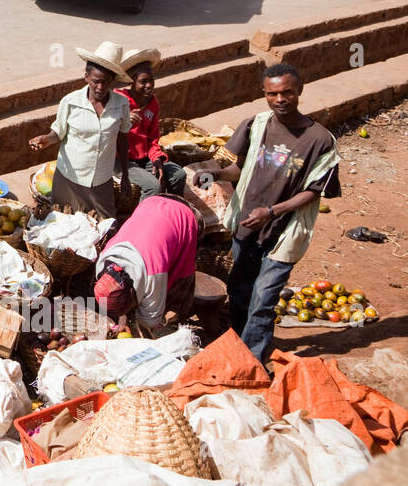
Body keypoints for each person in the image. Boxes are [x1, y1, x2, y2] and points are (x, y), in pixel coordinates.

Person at [207, 64, 340, 364]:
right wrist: (214, 173)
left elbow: (314, 191)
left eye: (286, 92)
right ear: (264, 94)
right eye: (272, 94)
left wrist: (272, 211)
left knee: (263, 299)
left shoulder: (320, 140)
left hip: (285, 230)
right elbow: (238, 169)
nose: (280, 99)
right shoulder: (256, 125)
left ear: (299, 91)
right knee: (239, 290)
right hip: (247, 224)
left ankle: (251, 360)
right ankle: (239, 344)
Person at [30, 42, 134, 217]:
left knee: (106, 227)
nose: (100, 87)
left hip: (101, 180)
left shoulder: (121, 104)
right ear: (86, 76)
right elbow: (58, 133)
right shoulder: (70, 102)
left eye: (106, 82)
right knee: (63, 223)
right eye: (96, 81)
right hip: (69, 178)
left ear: (113, 81)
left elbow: (123, 140)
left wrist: (125, 175)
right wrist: (46, 139)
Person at [93, 195, 201, 336]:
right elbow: (119, 288)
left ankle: (178, 317)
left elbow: (150, 319)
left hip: (185, 215)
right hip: (151, 202)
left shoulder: (154, 273)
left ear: (132, 293)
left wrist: (140, 332)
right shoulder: (103, 263)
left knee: (178, 282)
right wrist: (122, 320)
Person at [116, 49, 186, 200]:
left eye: (151, 80)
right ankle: (143, 222)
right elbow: (107, 131)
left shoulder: (153, 104)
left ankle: (172, 210)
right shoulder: (119, 101)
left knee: (178, 175)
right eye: (143, 82)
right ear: (132, 82)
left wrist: (156, 158)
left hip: (143, 157)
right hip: (121, 159)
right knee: (152, 186)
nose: (149, 85)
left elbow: (153, 138)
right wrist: (124, 121)